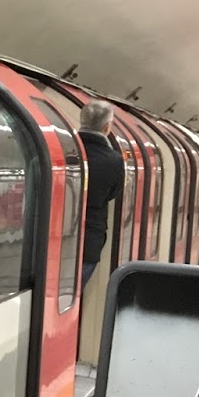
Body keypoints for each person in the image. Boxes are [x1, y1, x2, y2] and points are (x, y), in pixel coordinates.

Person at [76, 100, 125, 289]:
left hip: (50, 238)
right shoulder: (113, 160)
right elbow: (113, 193)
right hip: (89, 242)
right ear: (107, 127)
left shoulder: (62, 149)